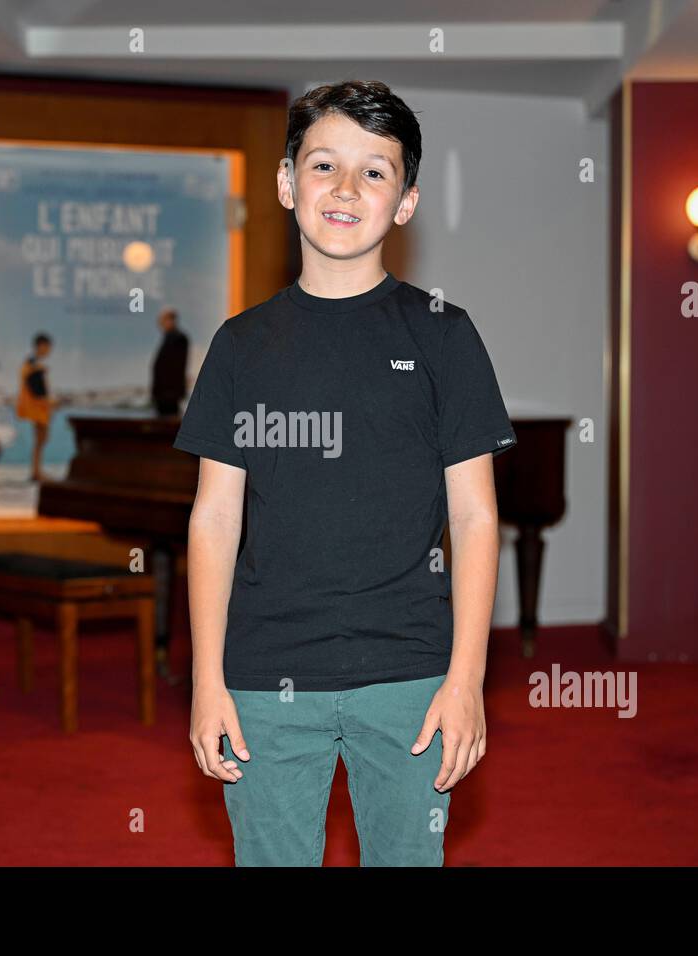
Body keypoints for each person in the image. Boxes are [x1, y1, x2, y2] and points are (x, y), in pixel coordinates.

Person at [174, 80, 518, 866]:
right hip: (263, 676)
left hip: (411, 677)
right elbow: (215, 519)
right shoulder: (239, 345)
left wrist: (466, 681)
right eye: (325, 164)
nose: (345, 188)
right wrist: (206, 679)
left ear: (405, 202)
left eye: (375, 171)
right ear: (288, 183)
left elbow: (473, 519)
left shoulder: (445, 335)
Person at [15, 332, 53, 481]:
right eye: (47, 347)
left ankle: (36, 471)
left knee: (41, 439)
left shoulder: (33, 364)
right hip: (38, 407)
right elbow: (37, 390)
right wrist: (48, 402)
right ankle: (36, 472)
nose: (48, 350)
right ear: (41, 346)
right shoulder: (32, 365)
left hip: (38, 406)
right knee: (40, 439)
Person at [150, 307, 189, 416]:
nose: (161, 325)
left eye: (162, 321)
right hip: (165, 393)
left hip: (168, 394)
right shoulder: (171, 338)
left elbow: (174, 367)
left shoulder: (177, 338)